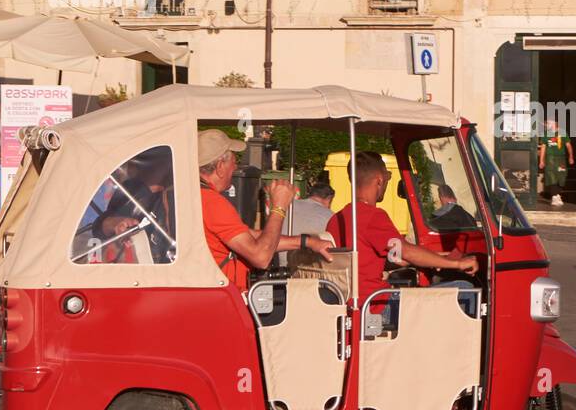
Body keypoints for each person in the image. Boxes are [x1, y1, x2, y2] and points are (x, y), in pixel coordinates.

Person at [327, 151, 479, 333]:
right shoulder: (373, 217)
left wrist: (439, 257)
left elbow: (393, 256)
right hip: (376, 308)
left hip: (352, 307)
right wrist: (457, 263)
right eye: (387, 177)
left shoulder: (337, 219)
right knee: (466, 289)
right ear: (379, 180)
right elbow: (405, 251)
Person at [197, 129, 335, 286]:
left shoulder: (189, 197)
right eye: (235, 162)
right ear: (220, 166)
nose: (235, 168)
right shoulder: (212, 203)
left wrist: (306, 242)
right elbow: (261, 257)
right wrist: (279, 207)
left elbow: (247, 236)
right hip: (224, 297)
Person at [538, 118, 573, 207]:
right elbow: (543, 147)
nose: (547, 125)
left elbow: (568, 145)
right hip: (550, 159)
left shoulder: (562, 133)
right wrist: (541, 160)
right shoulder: (546, 134)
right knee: (551, 176)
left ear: (555, 123)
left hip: (561, 159)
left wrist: (571, 157)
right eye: (547, 123)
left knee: (561, 176)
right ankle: (554, 196)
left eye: (549, 123)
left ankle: (557, 195)